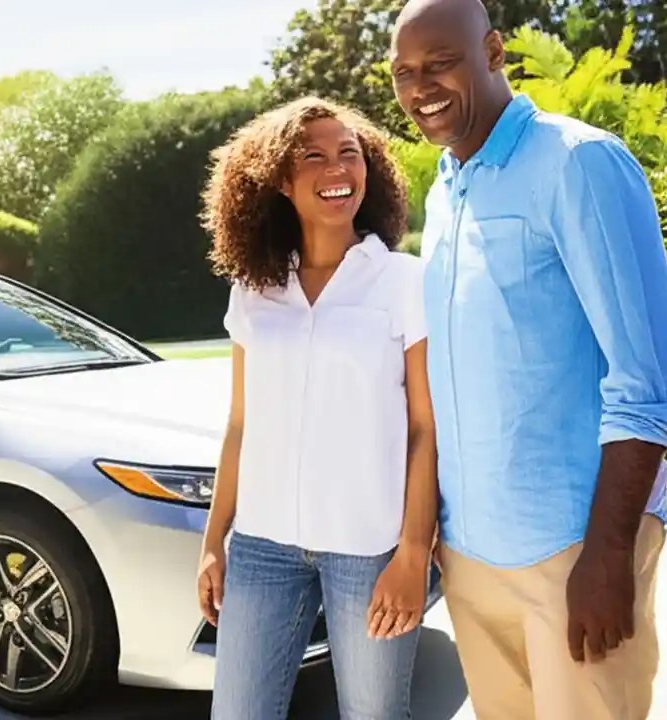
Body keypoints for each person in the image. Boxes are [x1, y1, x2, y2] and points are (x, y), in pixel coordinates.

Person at [388, 1, 667, 718]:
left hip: (572, 556)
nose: (420, 86)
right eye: (403, 72)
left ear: (493, 52)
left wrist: (607, 556)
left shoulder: (577, 162)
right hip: (471, 561)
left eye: (441, 63)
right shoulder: (448, 182)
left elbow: (647, 382)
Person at [196, 95, 439, 720]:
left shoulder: (404, 281)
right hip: (262, 547)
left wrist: (413, 553)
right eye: (314, 157)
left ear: (370, 169)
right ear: (280, 177)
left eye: (349, 155)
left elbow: (423, 428)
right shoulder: (254, 291)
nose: (337, 170)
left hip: (370, 547)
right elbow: (240, 424)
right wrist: (214, 539)